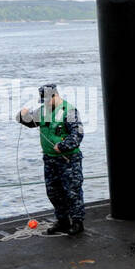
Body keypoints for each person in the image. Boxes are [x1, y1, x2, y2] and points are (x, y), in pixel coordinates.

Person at [18, 84, 85, 235]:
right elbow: (30, 122)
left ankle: (77, 222)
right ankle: (62, 221)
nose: (46, 103)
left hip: (68, 159)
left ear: (55, 96)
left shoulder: (69, 111)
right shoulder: (43, 112)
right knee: (53, 192)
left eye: (48, 100)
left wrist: (63, 146)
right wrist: (22, 116)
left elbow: (78, 134)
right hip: (50, 159)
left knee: (72, 191)